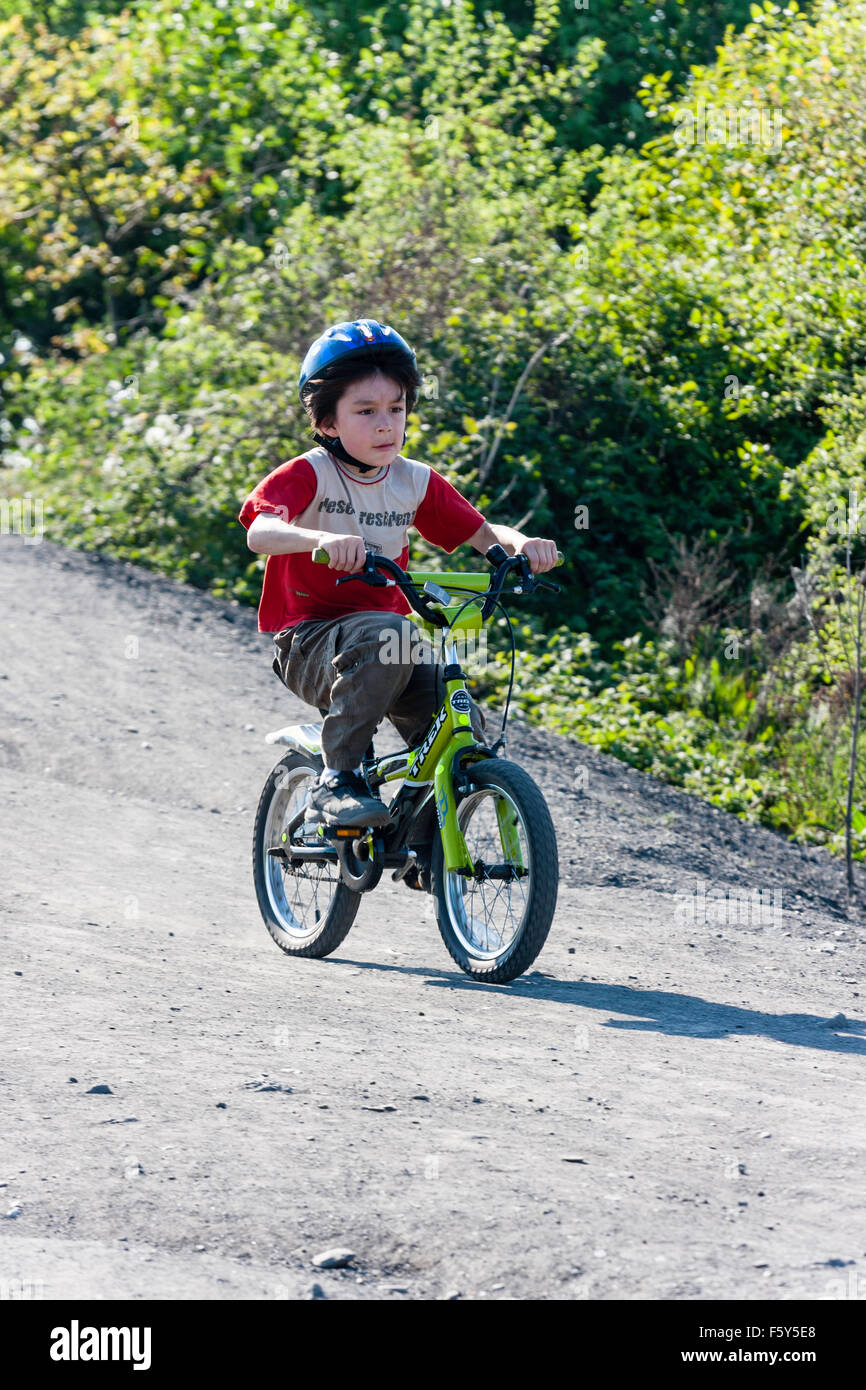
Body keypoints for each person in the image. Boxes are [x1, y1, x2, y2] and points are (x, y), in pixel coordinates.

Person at [238, 318, 558, 828]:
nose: (386, 424)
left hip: (390, 647)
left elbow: (480, 531)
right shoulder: (309, 473)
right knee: (392, 631)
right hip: (308, 641)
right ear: (328, 423)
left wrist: (523, 545)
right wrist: (321, 540)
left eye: (396, 408)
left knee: (461, 726)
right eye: (365, 411)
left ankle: (426, 843)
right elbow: (261, 531)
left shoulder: (413, 481)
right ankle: (335, 781)